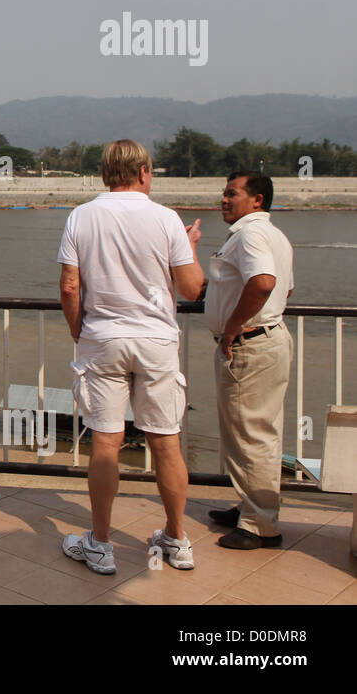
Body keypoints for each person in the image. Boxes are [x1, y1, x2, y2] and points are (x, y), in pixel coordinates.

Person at [56, 139, 205, 574]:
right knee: (166, 441)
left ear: (105, 173)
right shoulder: (167, 219)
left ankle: (100, 544)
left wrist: (76, 330)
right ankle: (176, 538)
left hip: (102, 338)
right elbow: (192, 289)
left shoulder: (81, 216)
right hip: (157, 341)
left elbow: (69, 286)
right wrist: (189, 245)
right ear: (143, 172)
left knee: (105, 441)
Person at [204, 171, 294, 550]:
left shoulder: (251, 234)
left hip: (249, 345)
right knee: (249, 433)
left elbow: (264, 282)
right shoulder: (274, 234)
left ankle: (259, 524)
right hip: (264, 340)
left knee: (252, 436)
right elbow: (285, 287)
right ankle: (251, 506)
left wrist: (234, 326)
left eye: (231, 194)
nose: (224, 200)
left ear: (257, 200)